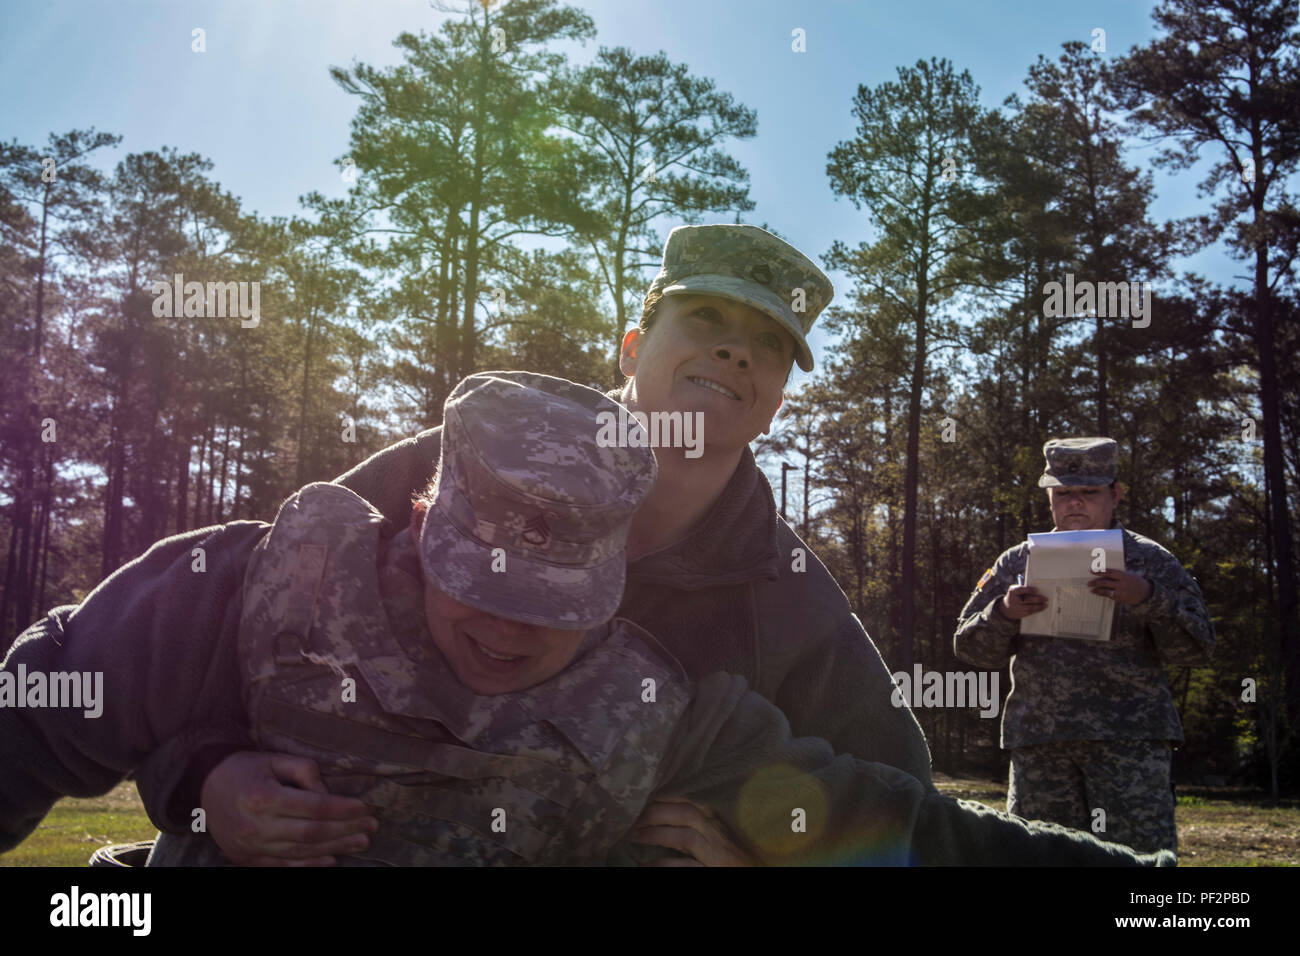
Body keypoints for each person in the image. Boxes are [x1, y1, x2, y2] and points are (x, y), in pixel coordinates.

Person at [1, 374, 1174, 867]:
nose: (510, 634)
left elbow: (927, 835)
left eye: (554, 607)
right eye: (484, 581)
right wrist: (199, 772)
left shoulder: (666, 709)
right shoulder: (243, 587)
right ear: (422, 513)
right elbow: (35, 715)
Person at [134, 223, 938, 865]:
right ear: (631, 347)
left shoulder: (787, 597)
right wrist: (204, 778)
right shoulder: (462, 461)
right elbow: (223, 637)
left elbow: (897, 809)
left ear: (775, 406)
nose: (735, 351)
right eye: (707, 319)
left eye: (768, 344)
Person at [952, 437, 1215, 854]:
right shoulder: (1016, 562)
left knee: (1138, 863)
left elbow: (1197, 651)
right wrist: (1002, 612)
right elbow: (969, 648)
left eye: (1088, 493)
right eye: (1063, 494)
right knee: (1038, 862)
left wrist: (1149, 598)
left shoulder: (1151, 562)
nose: (1075, 503)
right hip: (1041, 746)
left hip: (1129, 745)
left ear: (1115, 493)